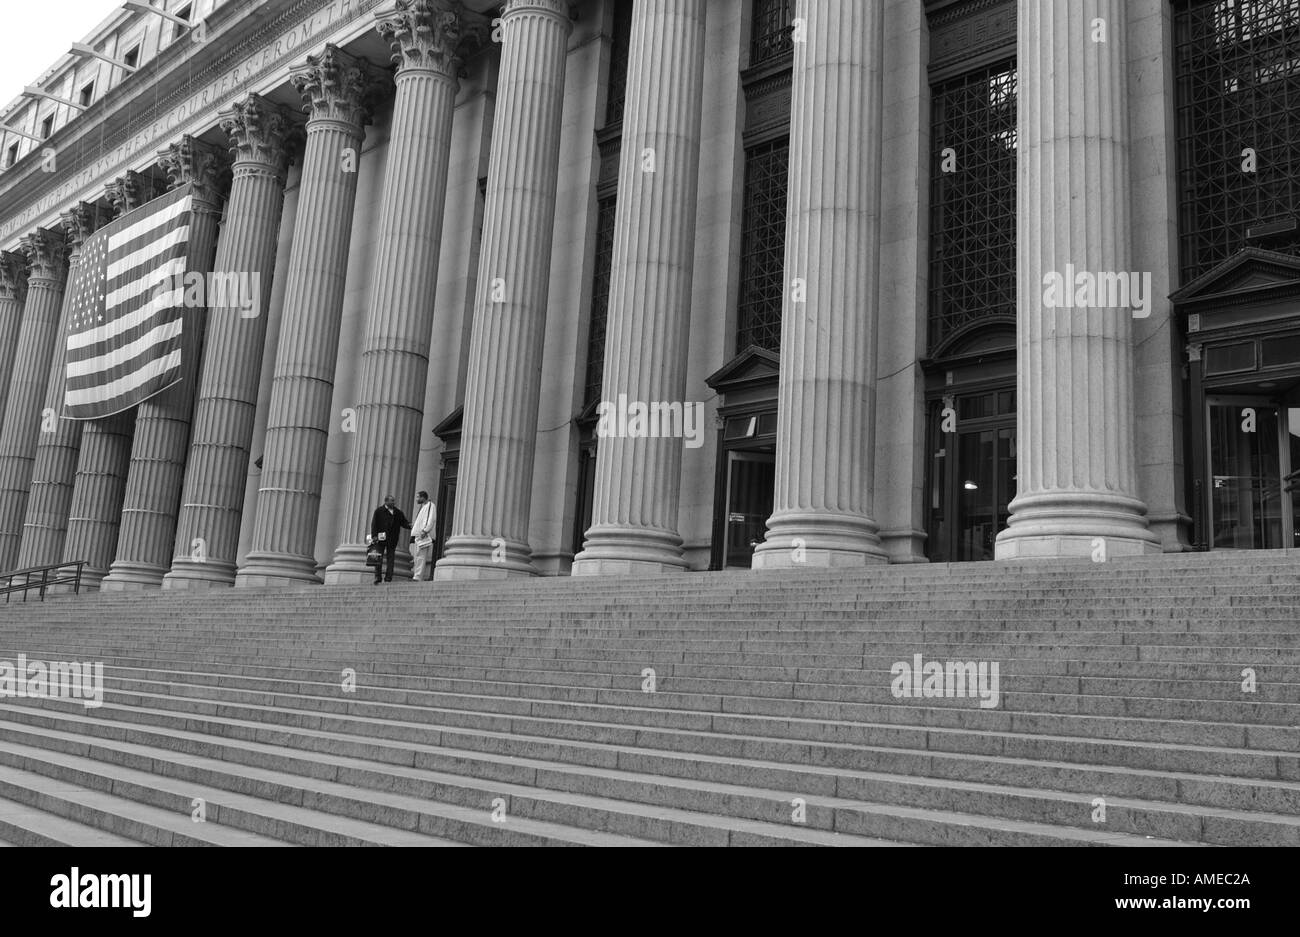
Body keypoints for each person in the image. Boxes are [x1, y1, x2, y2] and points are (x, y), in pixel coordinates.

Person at [369, 494, 411, 585]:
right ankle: (377, 577)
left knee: (391, 558)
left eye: (393, 500)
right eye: (391, 500)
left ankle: (388, 577)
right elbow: (374, 524)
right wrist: (374, 536)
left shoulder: (398, 512)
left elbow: (404, 522)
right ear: (386, 501)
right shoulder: (379, 511)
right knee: (377, 558)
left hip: (392, 539)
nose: (393, 502)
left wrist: (411, 526)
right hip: (380, 539)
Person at [410, 490, 436, 582]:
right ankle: (416, 575)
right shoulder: (423, 506)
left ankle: (418, 577)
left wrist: (425, 530)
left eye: (418, 497)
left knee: (421, 556)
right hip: (419, 535)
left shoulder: (430, 505)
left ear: (423, 497)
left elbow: (430, 519)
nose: (417, 499)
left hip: (423, 535)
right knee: (417, 556)